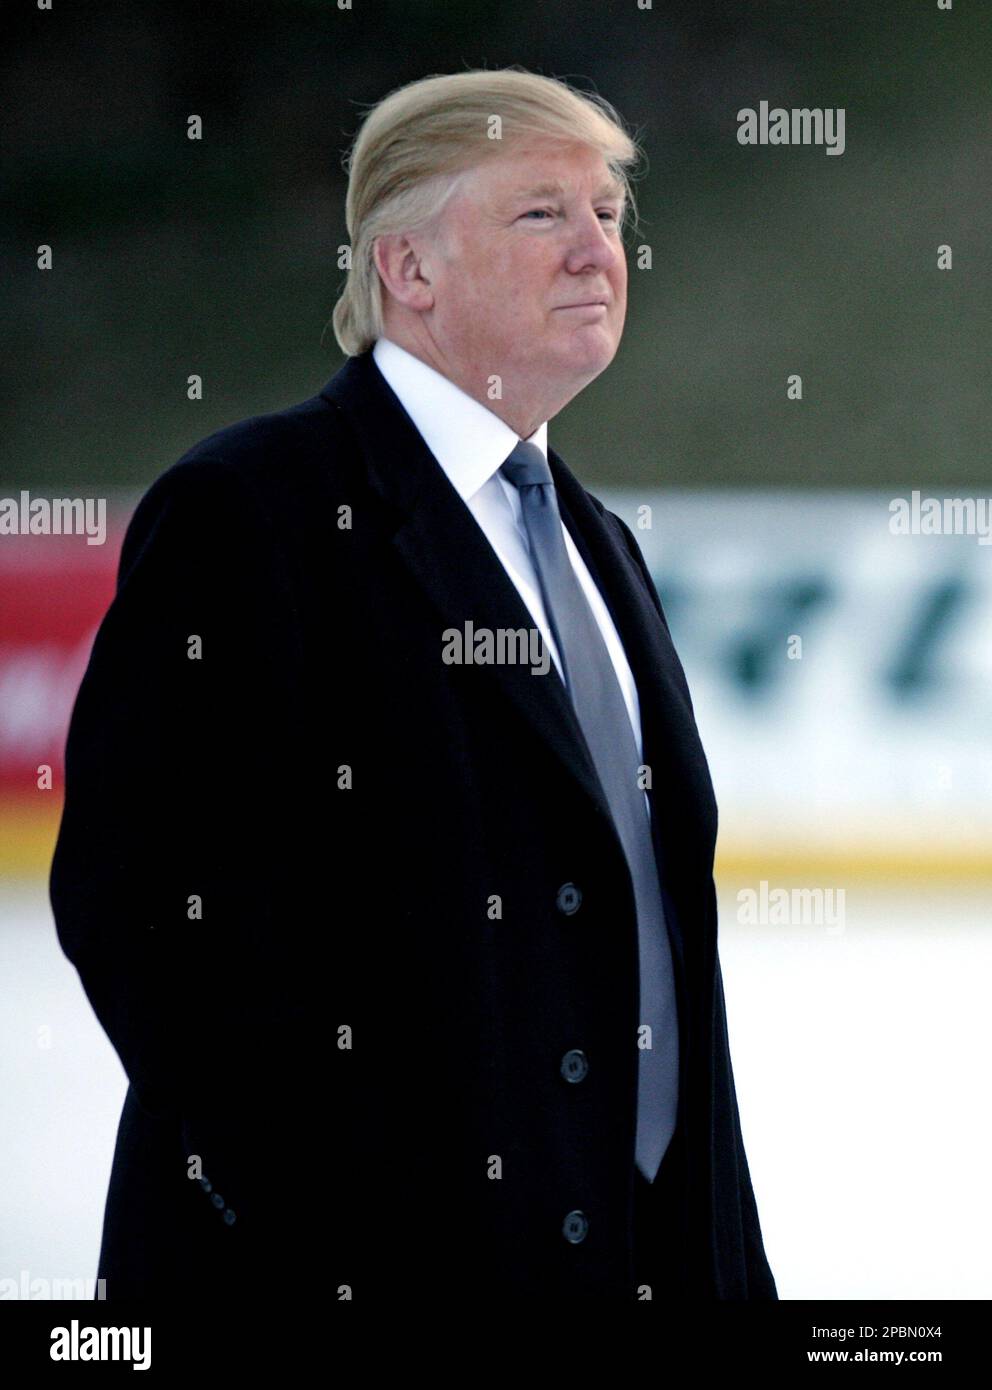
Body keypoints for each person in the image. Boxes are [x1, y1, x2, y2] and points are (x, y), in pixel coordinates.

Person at [49, 66, 777, 1303]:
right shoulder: (253, 511)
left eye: (607, 214)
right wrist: (322, 1225)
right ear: (408, 269)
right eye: (540, 214)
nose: (597, 250)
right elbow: (141, 904)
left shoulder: (601, 543)